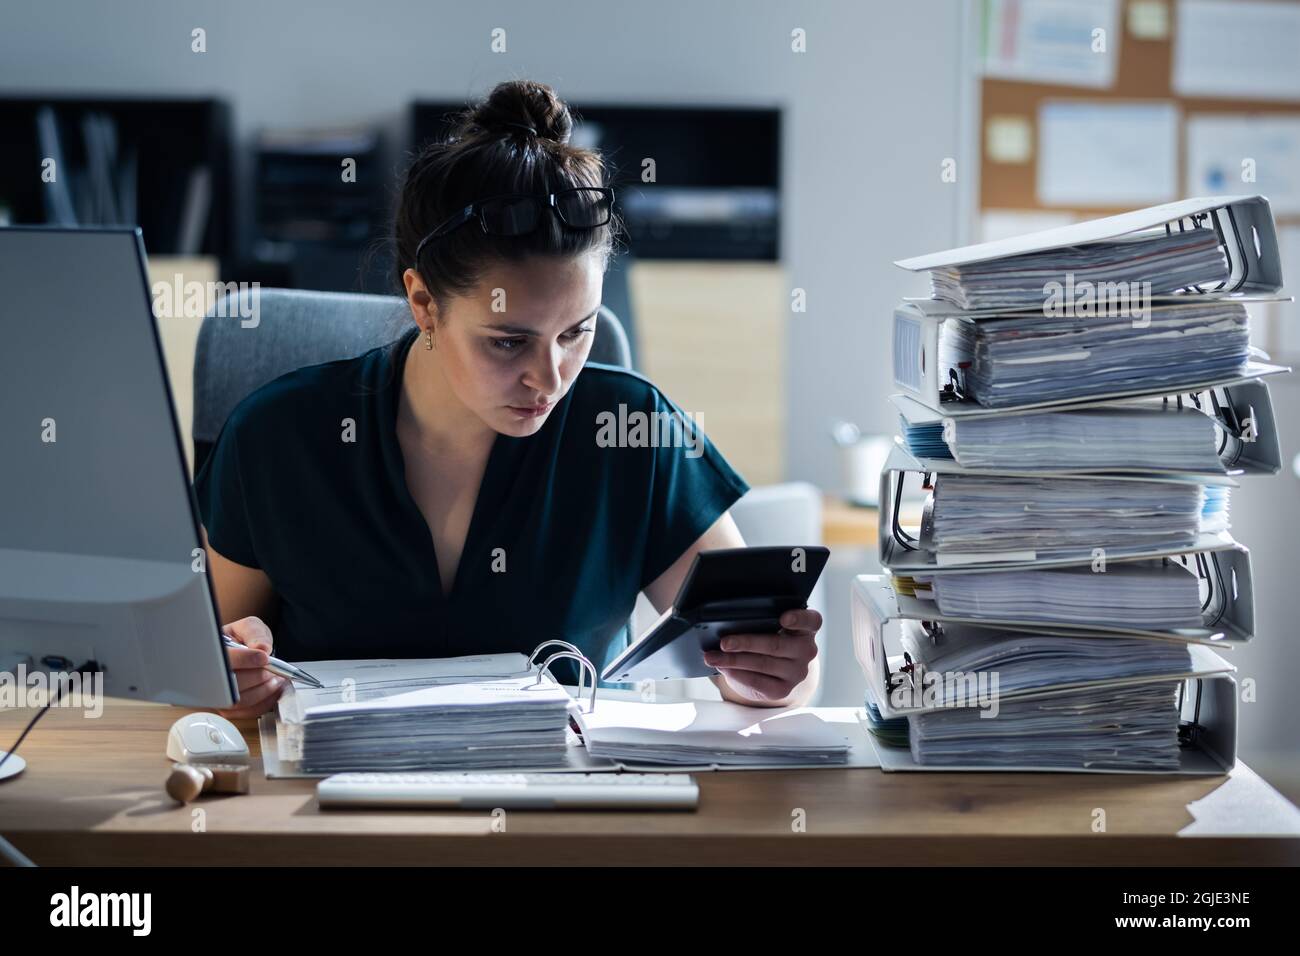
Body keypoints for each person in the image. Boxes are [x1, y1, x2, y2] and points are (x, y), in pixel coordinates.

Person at [194, 79, 821, 720]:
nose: (549, 378)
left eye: (577, 333)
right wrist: (231, 679)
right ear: (423, 303)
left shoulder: (634, 429)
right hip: (340, 806)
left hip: (563, 807)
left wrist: (771, 675)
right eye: (507, 342)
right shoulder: (277, 437)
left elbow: (770, 665)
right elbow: (206, 666)